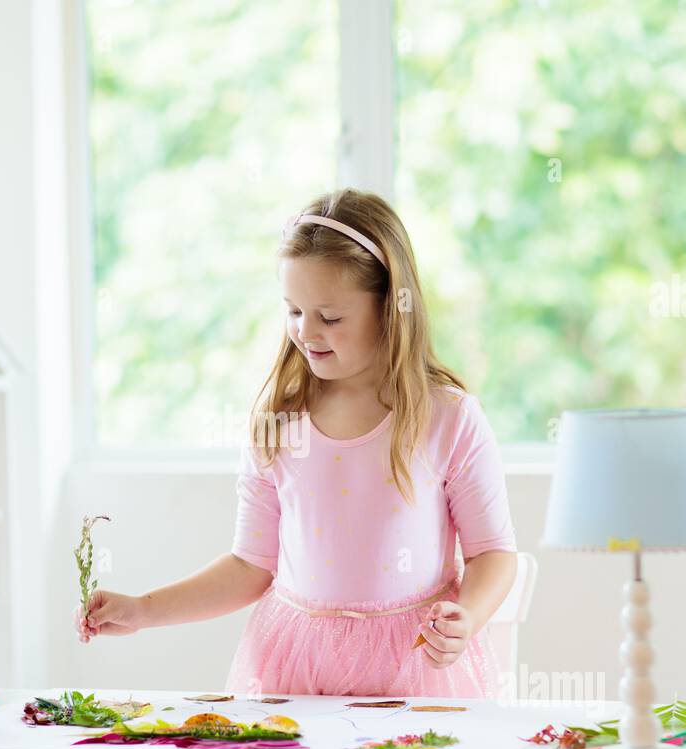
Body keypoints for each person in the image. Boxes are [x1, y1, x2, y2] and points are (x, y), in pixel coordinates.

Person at [74, 187, 518, 697]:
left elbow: (494, 553)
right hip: (292, 669)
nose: (306, 332)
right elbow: (248, 566)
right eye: (293, 311)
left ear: (391, 308)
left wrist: (468, 617)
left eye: (329, 317)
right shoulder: (278, 423)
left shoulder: (449, 419)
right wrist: (142, 610)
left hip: (414, 668)